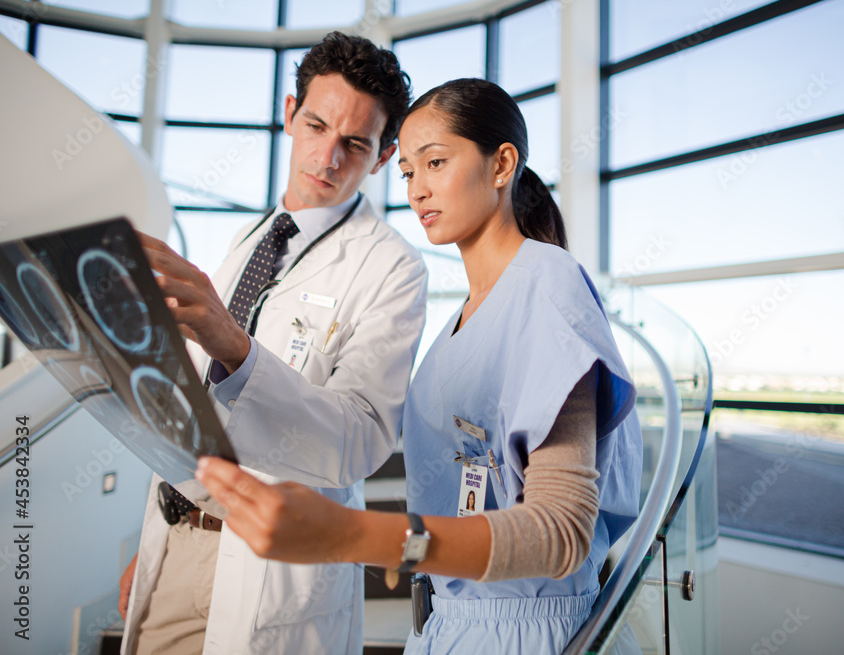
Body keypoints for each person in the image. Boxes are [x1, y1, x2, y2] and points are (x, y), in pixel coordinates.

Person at [196, 78, 641, 653]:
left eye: (435, 163)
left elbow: (561, 533)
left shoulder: (547, 282)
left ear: (502, 164)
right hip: (447, 623)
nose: (418, 190)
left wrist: (358, 534)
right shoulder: (459, 323)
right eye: (407, 172)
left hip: (524, 631)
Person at [117, 32, 428, 655]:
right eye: (316, 126)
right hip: (176, 543)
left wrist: (235, 344)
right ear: (289, 114)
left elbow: (361, 439)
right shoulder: (250, 240)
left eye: (356, 144)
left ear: (385, 153)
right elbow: (195, 412)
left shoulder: (393, 268)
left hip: (273, 576)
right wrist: (158, 535)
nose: (329, 157)